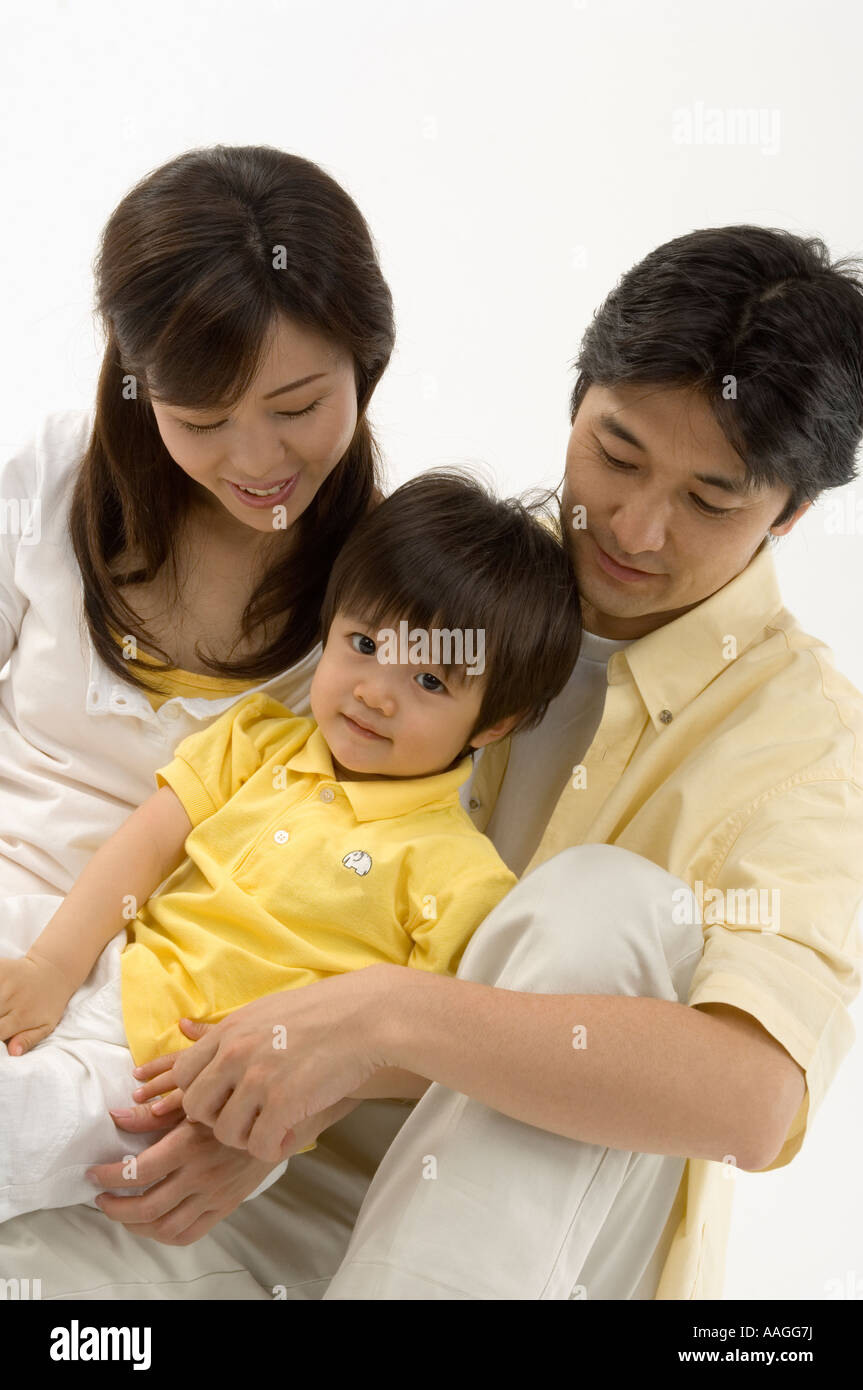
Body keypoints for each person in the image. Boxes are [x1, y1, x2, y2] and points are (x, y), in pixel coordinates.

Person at [1, 199, 860, 1298]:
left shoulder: (802, 742)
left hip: (513, 1229)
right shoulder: (444, 585)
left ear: (786, 516)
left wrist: (371, 1023)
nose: (635, 528)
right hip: (253, 1168)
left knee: (602, 907)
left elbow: (752, 1102)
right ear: (573, 404)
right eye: (614, 453)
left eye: (708, 499)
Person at [0, 471, 582, 1219]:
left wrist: (289, 1098)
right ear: (329, 624)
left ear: (493, 724)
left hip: (177, 1075)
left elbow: (430, 1052)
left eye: (431, 680)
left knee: (23, 1122)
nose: (376, 690)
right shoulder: (258, 737)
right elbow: (144, 844)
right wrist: (53, 963)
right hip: (115, 958)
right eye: (365, 643)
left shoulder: (457, 872)